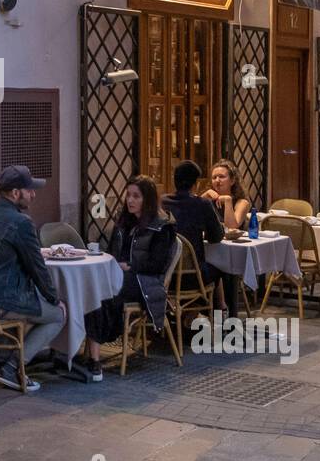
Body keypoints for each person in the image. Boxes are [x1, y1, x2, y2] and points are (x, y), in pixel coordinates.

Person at [0, 164, 67, 392]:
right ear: (15, 193)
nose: (33, 194)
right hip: (1, 304)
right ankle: (12, 366)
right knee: (58, 315)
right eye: (29, 190)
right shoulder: (21, 222)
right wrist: (54, 299)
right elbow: (38, 268)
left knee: (29, 304)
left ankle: (7, 362)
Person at [81, 176, 177, 382]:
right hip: (120, 275)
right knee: (92, 290)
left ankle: (94, 359)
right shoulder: (124, 222)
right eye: (128, 195)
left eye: (136, 196)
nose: (130, 200)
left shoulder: (161, 226)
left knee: (103, 293)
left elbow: (158, 265)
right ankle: (90, 355)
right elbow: (111, 252)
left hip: (146, 282)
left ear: (147, 199)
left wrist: (130, 266)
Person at [161, 161, 228, 314]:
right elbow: (216, 237)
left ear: (174, 181)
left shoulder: (162, 202)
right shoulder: (202, 204)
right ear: (195, 184)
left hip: (164, 276)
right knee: (222, 268)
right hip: (192, 279)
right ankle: (221, 314)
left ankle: (190, 316)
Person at [202, 159, 251, 231]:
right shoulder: (209, 200)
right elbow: (191, 216)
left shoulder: (242, 202)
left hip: (235, 241)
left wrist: (228, 200)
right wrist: (204, 196)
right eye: (214, 177)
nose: (217, 180)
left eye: (221, 177)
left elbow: (231, 227)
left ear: (232, 181)